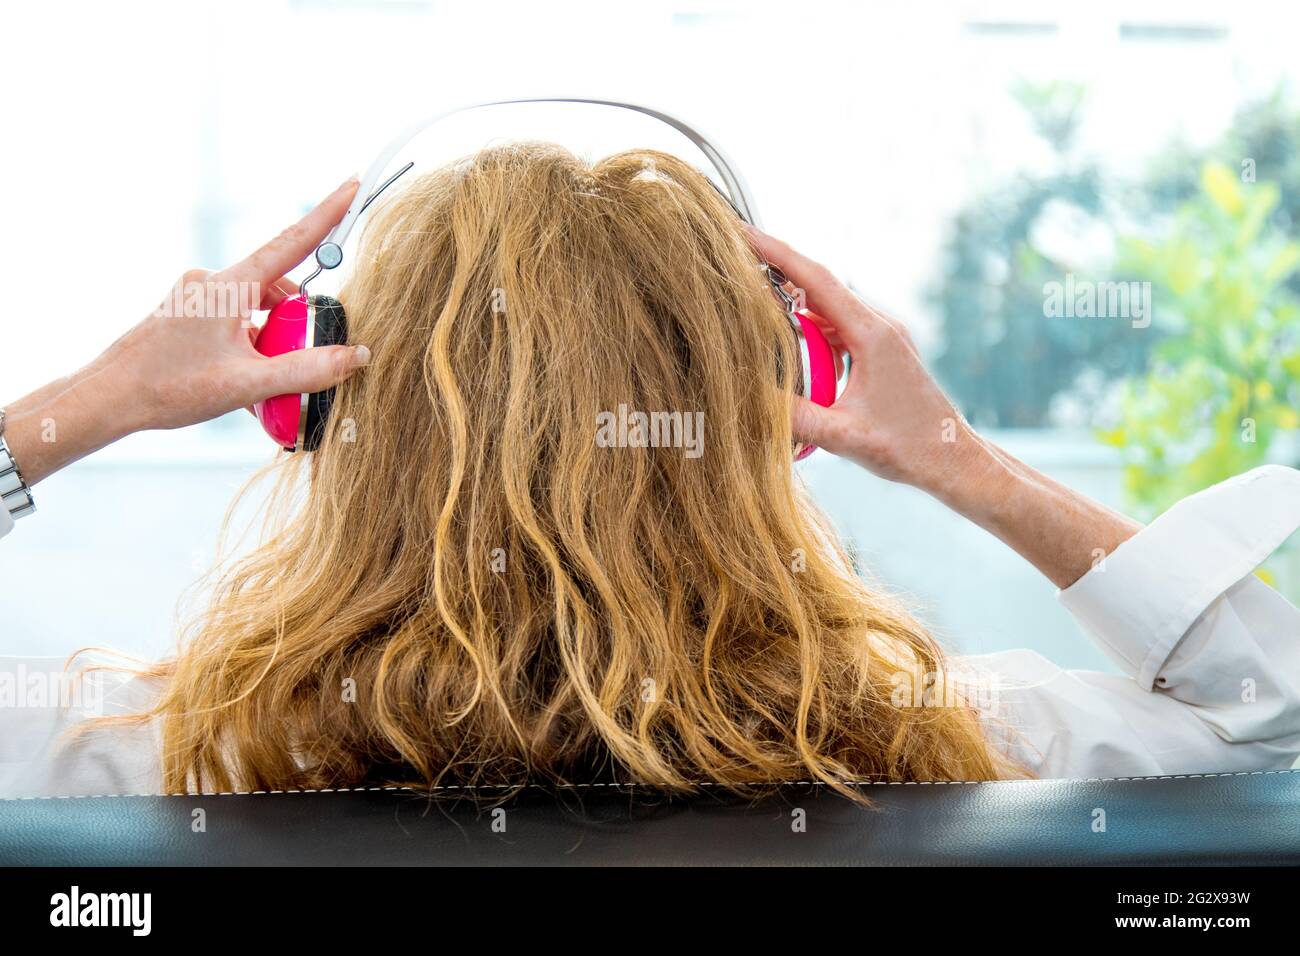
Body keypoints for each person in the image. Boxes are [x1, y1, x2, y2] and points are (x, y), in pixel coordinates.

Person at [2, 144, 1298, 800]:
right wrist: (956, 460)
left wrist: (92, 404)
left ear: (315, 413)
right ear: (776, 416)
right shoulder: (961, 738)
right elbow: (1271, 722)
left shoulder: (153, 751)